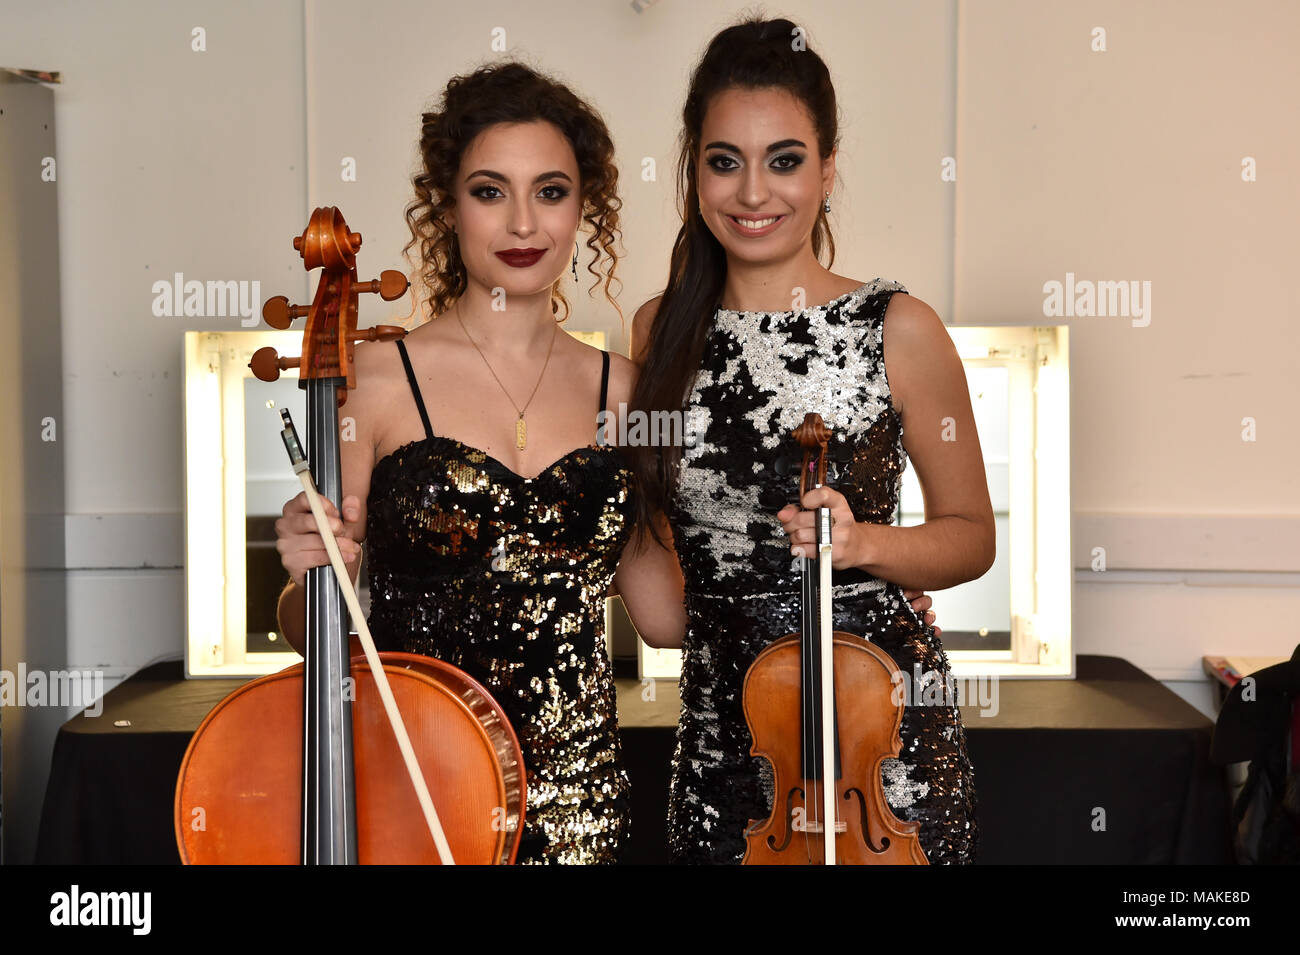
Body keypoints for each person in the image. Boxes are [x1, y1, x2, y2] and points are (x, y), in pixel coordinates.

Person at [626, 16, 994, 864]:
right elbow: (665, 611)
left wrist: (865, 543)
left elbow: (971, 537)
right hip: (725, 746)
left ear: (827, 169)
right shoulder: (656, 332)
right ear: (695, 171)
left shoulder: (897, 327)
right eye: (726, 161)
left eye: (784, 160)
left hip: (881, 751)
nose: (754, 193)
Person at [274, 61, 658, 864]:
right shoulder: (376, 381)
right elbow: (319, 628)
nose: (523, 223)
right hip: (415, 784)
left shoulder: (626, 392)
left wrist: (851, 582)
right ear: (448, 208)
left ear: (583, 207)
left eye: (550, 191)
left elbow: (665, 614)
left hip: (578, 802)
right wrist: (307, 569)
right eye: (491, 191)